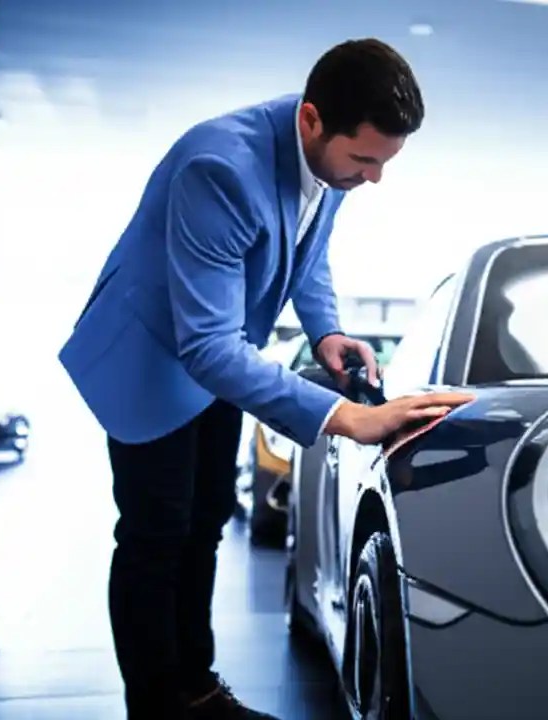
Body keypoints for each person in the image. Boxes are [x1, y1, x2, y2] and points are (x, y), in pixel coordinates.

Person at [57, 38, 473, 719]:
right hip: (152, 358)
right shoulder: (218, 167)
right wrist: (348, 419)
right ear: (312, 121)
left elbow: (307, 251)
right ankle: (158, 706)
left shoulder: (327, 163)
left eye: (385, 161)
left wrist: (327, 331)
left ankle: (195, 687)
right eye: (365, 159)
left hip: (217, 357)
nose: (373, 178)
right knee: (155, 534)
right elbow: (208, 346)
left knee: (206, 519)